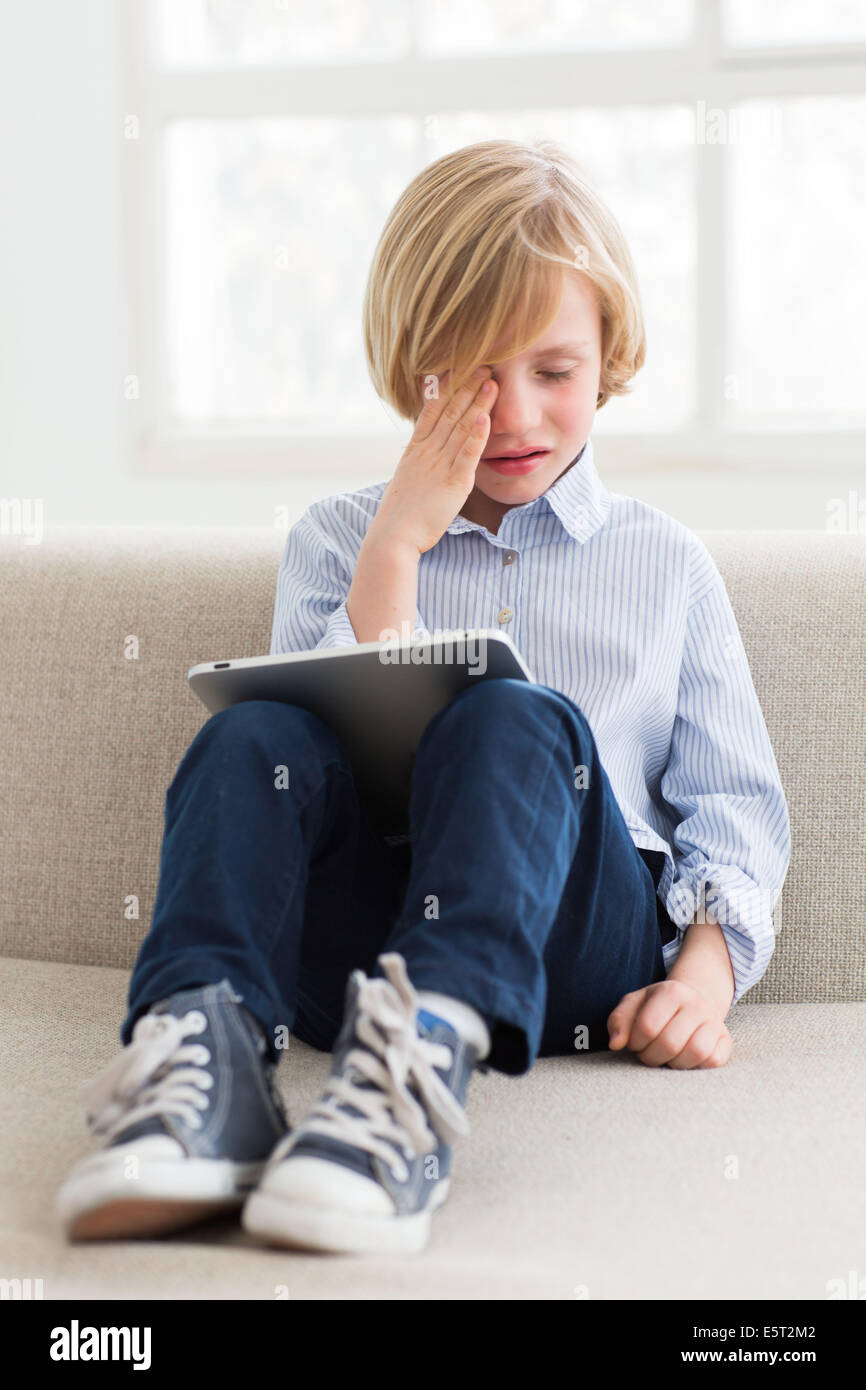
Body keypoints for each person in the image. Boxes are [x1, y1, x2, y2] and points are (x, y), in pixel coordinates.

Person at [57, 138, 790, 1257]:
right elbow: (311, 745)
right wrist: (396, 543)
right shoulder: (337, 538)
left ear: (607, 363)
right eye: (469, 377)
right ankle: (200, 1060)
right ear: (411, 369)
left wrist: (702, 976)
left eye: (551, 371)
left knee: (511, 712)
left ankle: (411, 1089)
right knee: (253, 727)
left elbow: (735, 810)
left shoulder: (664, 563)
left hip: (566, 949)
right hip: (358, 950)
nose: (511, 416)